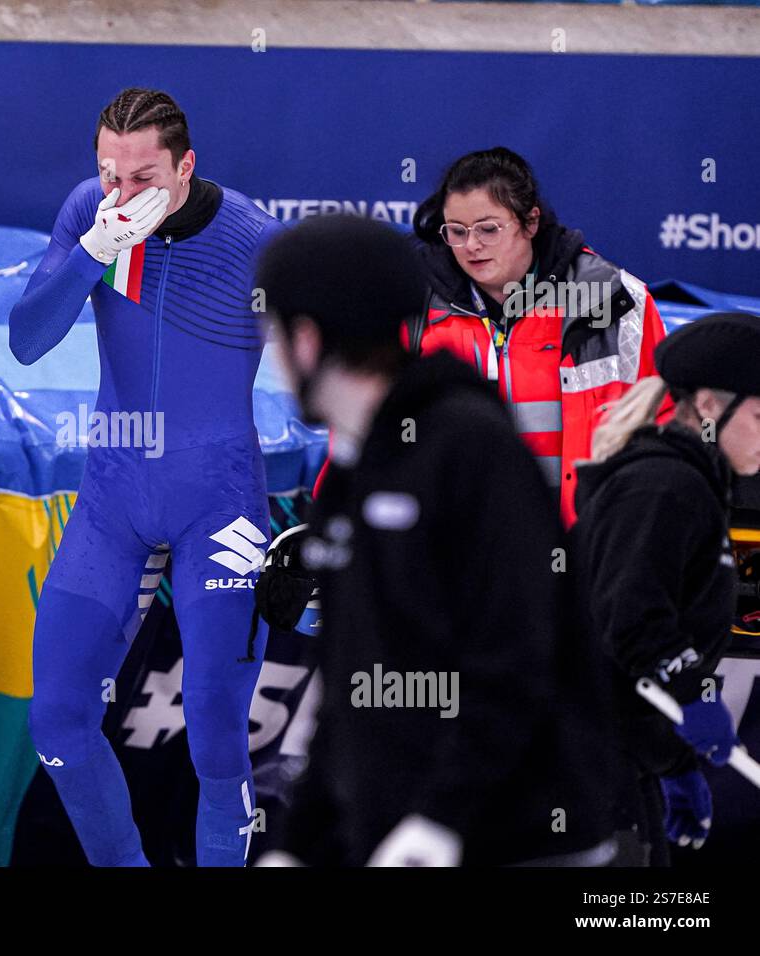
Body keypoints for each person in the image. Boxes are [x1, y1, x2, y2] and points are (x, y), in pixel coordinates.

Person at [257, 214, 614, 866]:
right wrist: (300, 843)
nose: (272, 357)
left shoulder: (468, 445)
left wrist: (442, 817)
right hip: (395, 836)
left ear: (306, 339)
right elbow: (346, 684)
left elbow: (516, 655)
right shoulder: (350, 475)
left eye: (272, 332)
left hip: (519, 841)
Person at [9, 88, 283, 866]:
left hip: (220, 504)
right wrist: (94, 250)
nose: (122, 196)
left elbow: (340, 369)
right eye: (108, 174)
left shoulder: (255, 238)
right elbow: (28, 340)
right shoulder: (89, 213)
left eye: (143, 179)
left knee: (215, 727)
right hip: (114, 499)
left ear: (186, 166)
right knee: (57, 719)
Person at [313, 147, 669, 528]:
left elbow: (663, 428)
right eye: (456, 231)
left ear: (530, 222)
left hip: (585, 550)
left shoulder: (614, 300)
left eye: (488, 229)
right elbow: (357, 437)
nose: (470, 246)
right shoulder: (401, 305)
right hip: (443, 557)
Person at [572, 312, 758, 865]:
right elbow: (632, 622)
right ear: (707, 406)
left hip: (623, 763)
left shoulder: (690, 484)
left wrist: (674, 758)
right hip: (581, 774)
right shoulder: (662, 486)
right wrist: (696, 713)